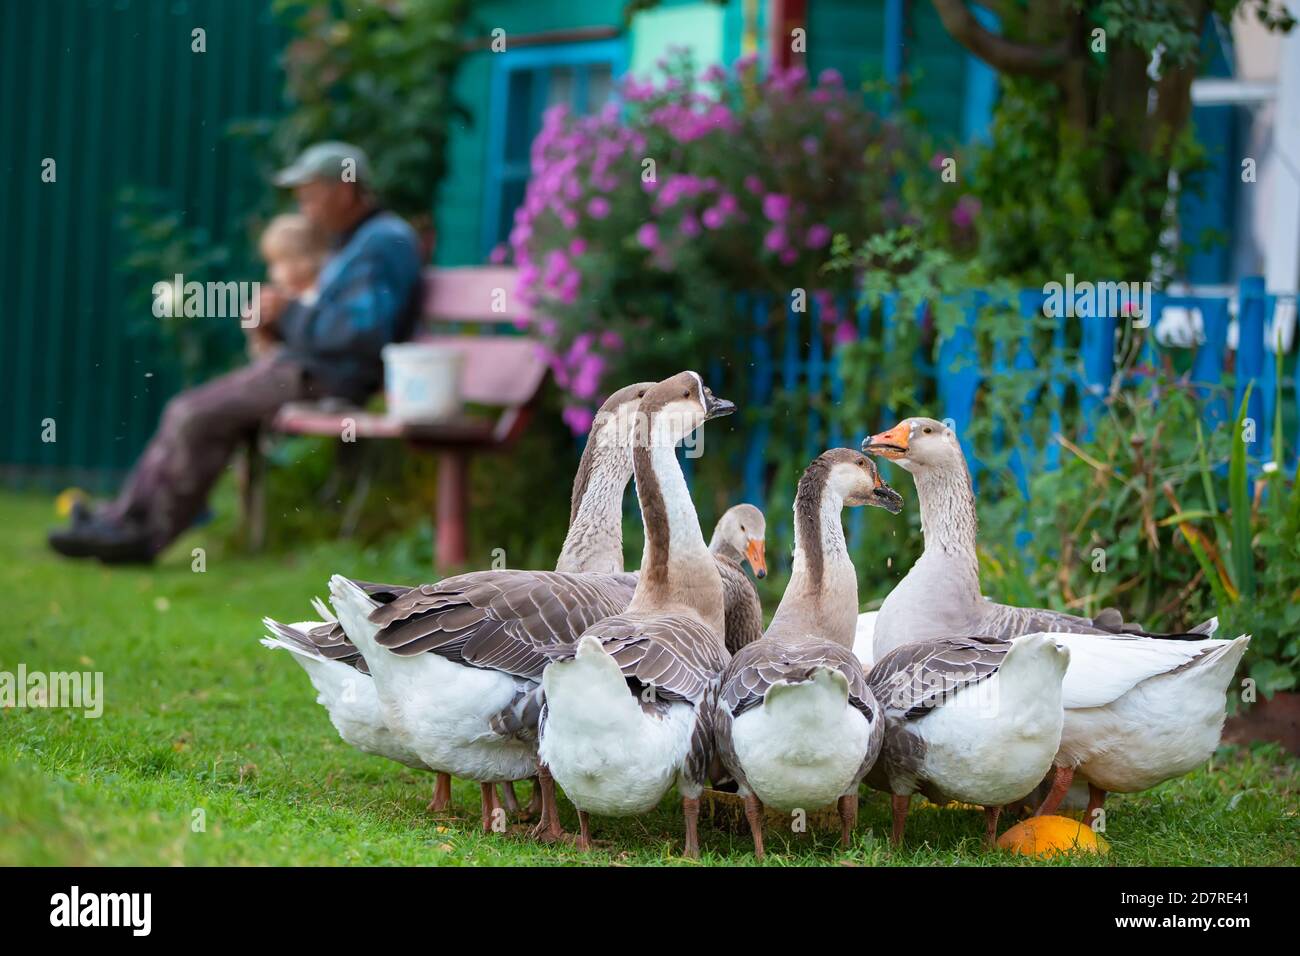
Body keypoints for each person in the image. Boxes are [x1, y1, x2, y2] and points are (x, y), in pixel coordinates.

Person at [49, 142, 422, 563]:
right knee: (185, 409)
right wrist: (277, 320)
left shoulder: (383, 242)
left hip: (330, 379)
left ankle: (138, 536)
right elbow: (331, 323)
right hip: (306, 369)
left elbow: (361, 332)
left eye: (310, 191)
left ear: (345, 190)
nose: (302, 203)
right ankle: (120, 522)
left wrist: (289, 313)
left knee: (194, 414)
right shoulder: (355, 241)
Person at [245, 213, 328, 360]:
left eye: (277, 263)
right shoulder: (287, 298)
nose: (271, 272)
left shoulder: (319, 295)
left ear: (303, 261)